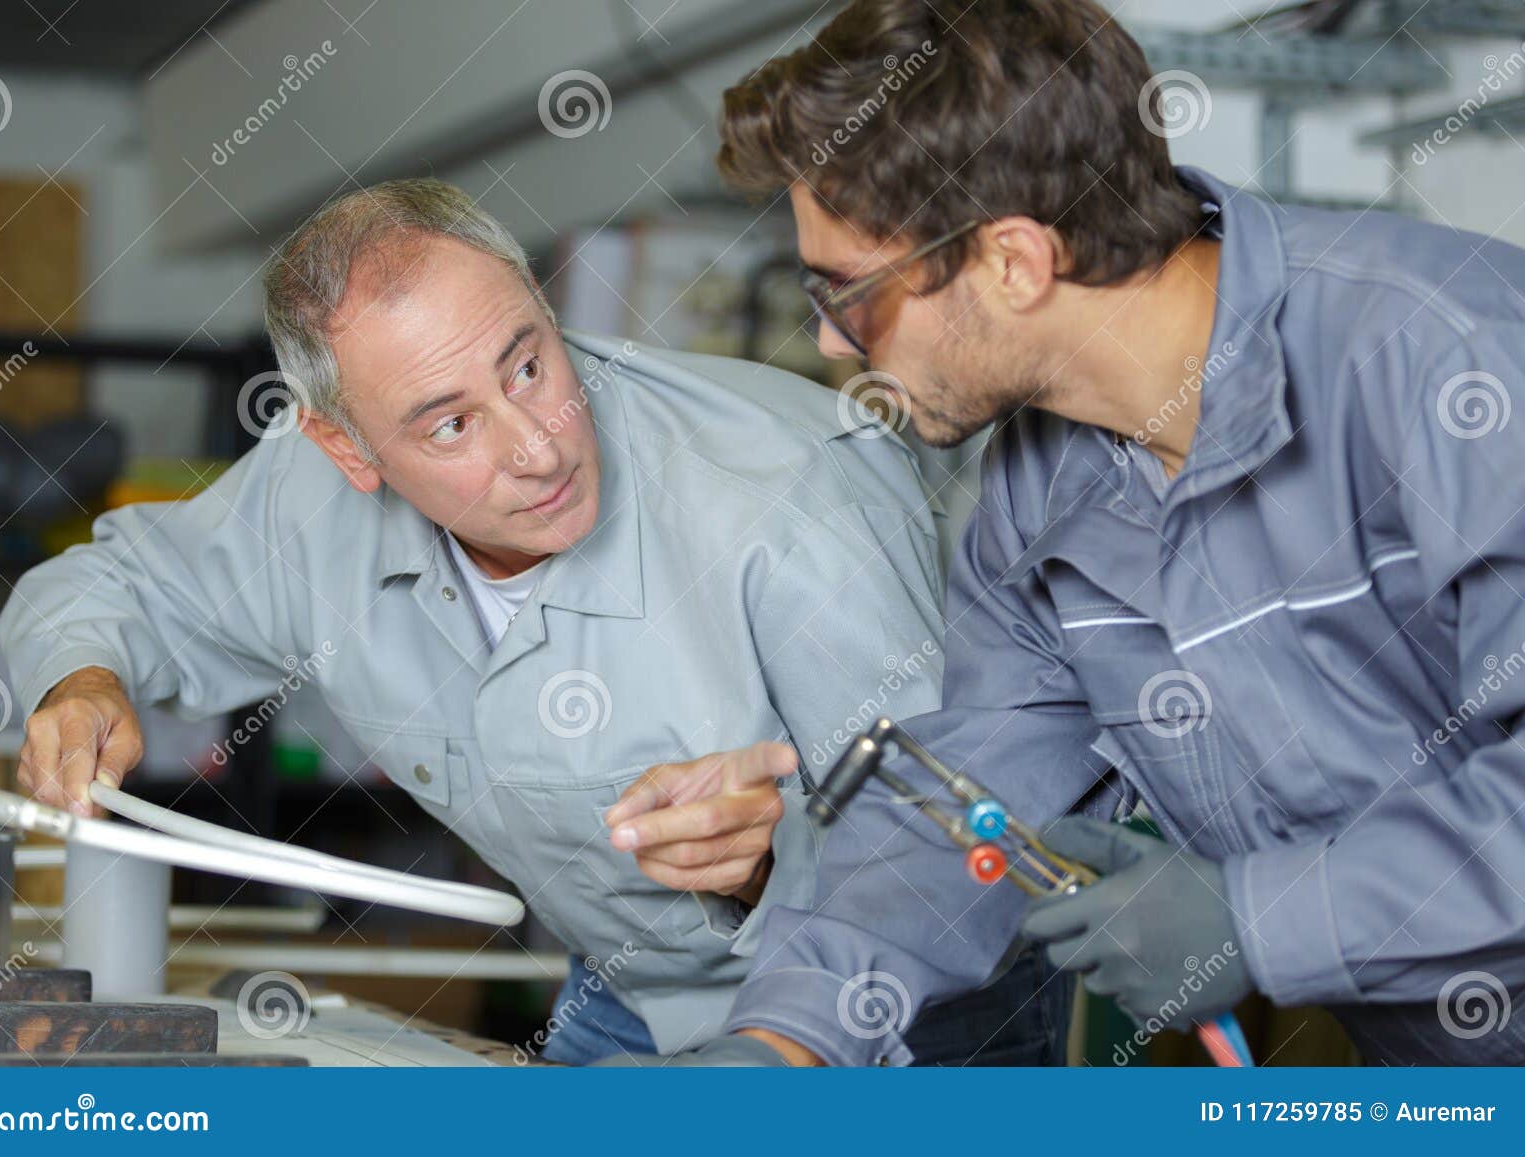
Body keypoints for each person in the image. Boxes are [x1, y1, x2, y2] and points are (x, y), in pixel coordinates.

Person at [629, 0, 1525, 1066]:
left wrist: (1257, 916)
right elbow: (963, 801)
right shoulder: (1037, 492)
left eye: (848, 293)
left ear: (1012, 260)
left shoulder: (1448, 360)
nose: (825, 337)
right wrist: (786, 1039)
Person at [0, 177, 1068, 1065]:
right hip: (629, 987)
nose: (538, 445)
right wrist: (81, 677)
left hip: (919, 1019)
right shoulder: (305, 502)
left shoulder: (794, 494)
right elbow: (110, 584)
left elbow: (955, 849)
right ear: (347, 449)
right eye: (451, 422)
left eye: (528, 362)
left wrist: (762, 862)